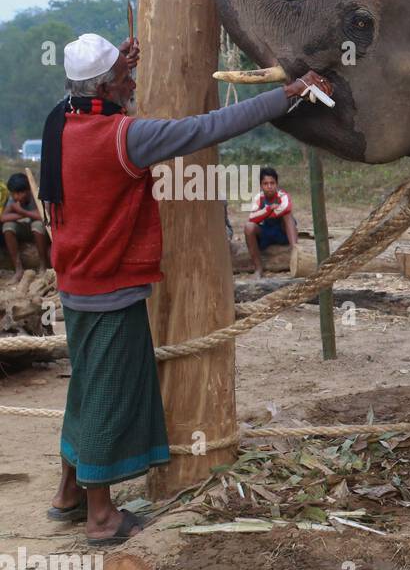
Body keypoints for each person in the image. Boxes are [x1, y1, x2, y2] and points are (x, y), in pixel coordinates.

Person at [39, 31, 332, 543]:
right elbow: (209, 126)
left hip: (76, 285)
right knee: (109, 395)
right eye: (127, 79)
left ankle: (68, 493)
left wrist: (118, 64)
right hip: (113, 292)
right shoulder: (123, 137)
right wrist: (287, 94)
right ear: (106, 87)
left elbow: (99, 91)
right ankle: (102, 517)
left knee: (86, 388)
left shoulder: (60, 121)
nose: (134, 84)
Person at [243, 166, 297, 278]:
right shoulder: (258, 198)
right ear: (261, 185)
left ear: (277, 184)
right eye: (265, 183)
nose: (269, 186)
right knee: (249, 227)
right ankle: (258, 269)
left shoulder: (283, 196)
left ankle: (296, 254)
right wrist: (268, 209)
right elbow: (252, 218)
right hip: (266, 234)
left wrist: (263, 213)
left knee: (287, 215)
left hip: (282, 233)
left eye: (272, 183)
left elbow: (286, 208)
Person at [2, 173, 51, 281]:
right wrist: (24, 214)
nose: (16, 197)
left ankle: (43, 265)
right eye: (14, 193)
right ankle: (18, 269)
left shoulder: (37, 195)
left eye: (20, 193)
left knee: (37, 224)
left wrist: (21, 211)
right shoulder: (13, 199)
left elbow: (44, 216)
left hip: (40, 233)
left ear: (28, 190)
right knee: (8, 226)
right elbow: (3, 218)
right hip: (24, 230)